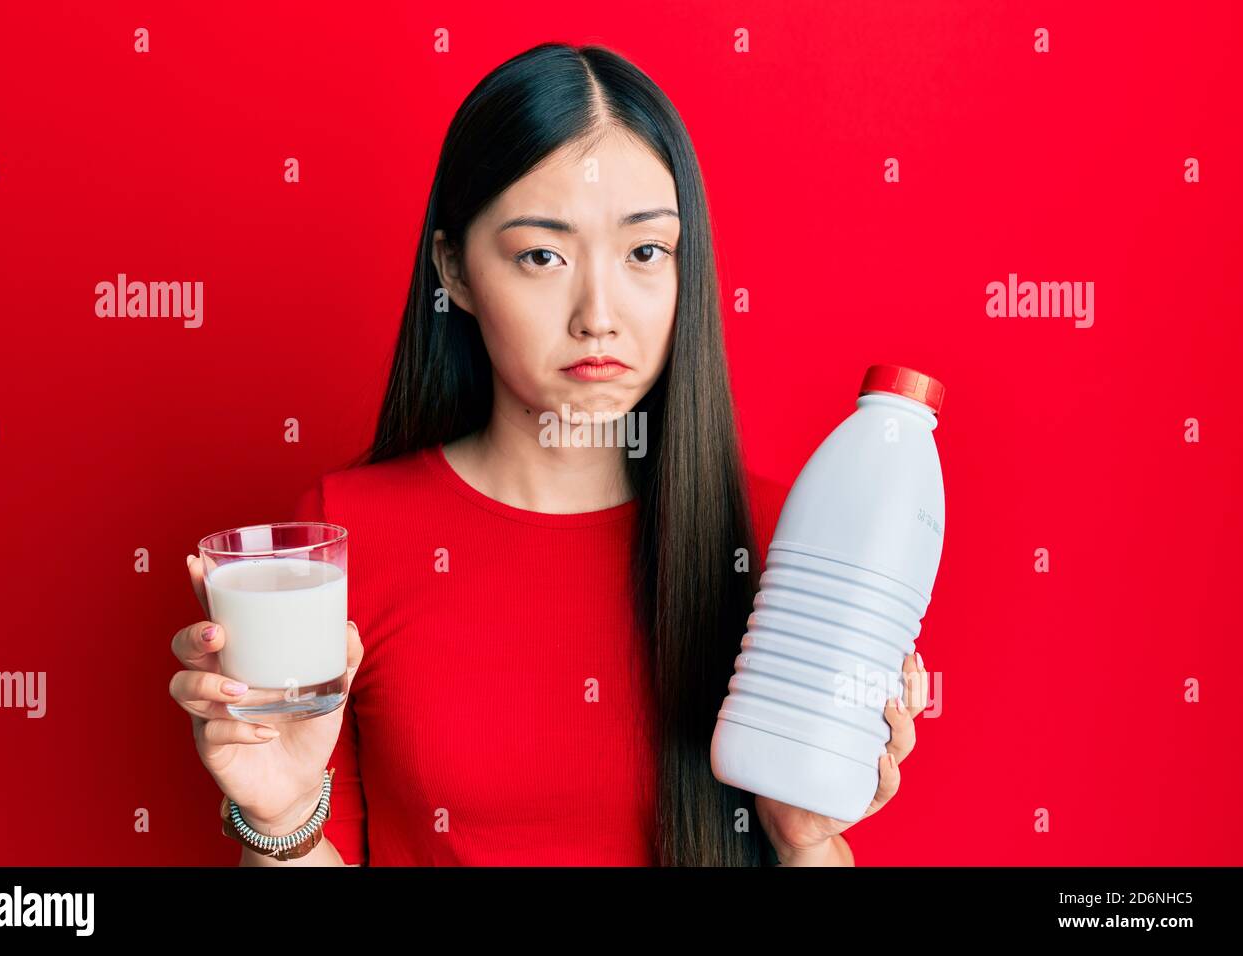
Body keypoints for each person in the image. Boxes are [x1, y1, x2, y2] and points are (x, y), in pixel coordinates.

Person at [169, 41, 926, 867]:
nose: (598, 314)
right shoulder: (344, 534)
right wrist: (280, 816)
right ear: (453, 269)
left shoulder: (781, 543)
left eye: (645, 253)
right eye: (542, 255)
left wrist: (806, 840)